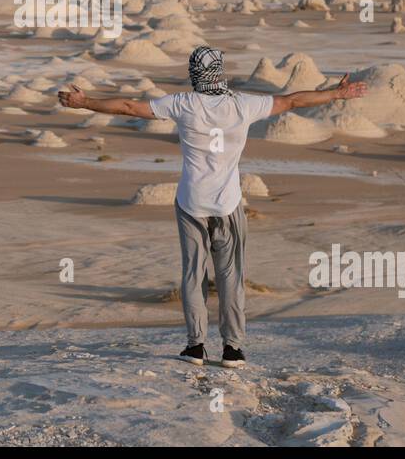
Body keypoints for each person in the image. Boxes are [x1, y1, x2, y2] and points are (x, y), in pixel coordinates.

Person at [57, 45, 367, 367]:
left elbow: (128, 107)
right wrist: (336, 95)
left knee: (193, 274)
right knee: (230, 276)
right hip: (228, 204)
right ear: (221, 72)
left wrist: (85, 102)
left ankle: (196, 347)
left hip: (191, 201)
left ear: (194, 74)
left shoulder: (183, 104)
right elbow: (292, 101)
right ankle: (232, 349)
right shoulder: (242, 105)